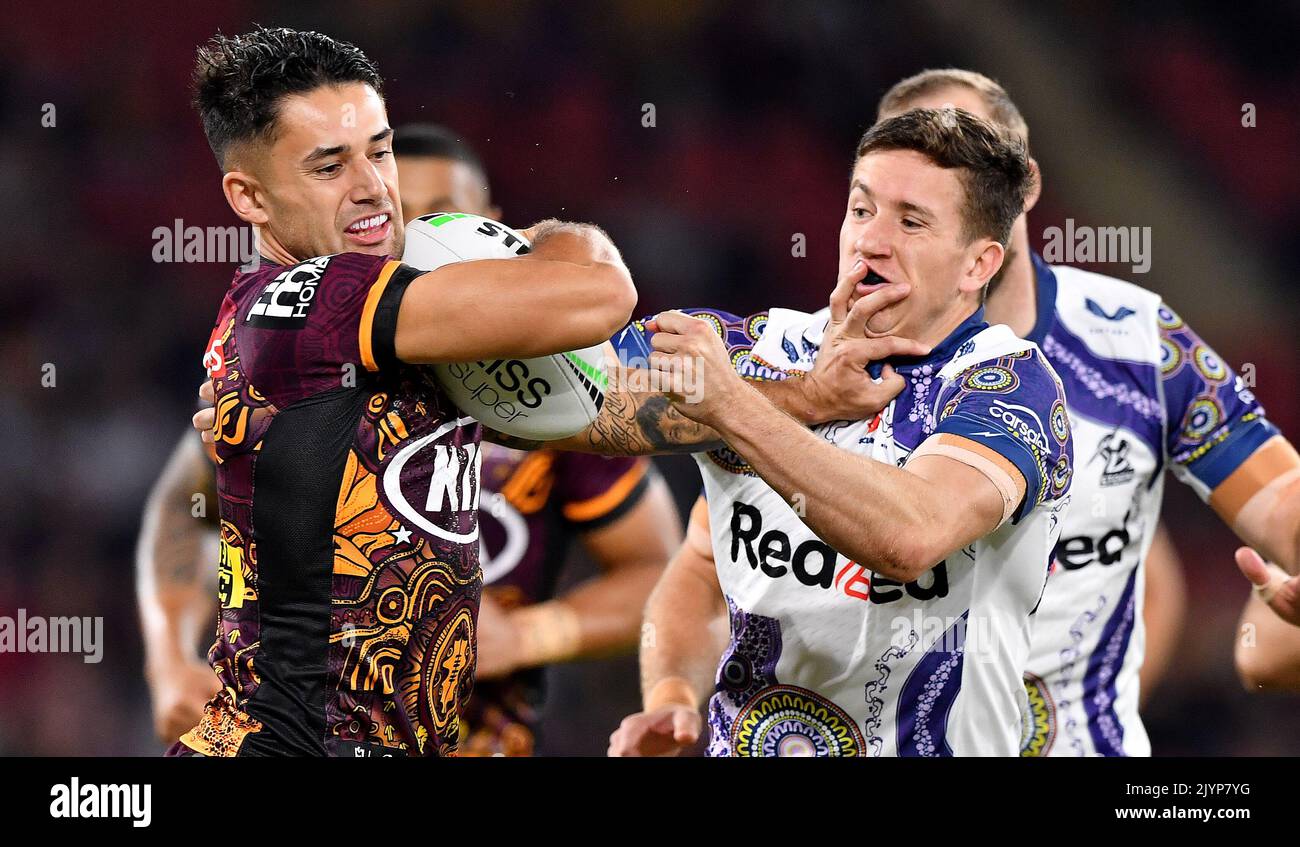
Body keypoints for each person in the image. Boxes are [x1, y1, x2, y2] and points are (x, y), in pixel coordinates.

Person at [139, 121, 684, 757]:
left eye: (443, 215)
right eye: (406, 213)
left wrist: (535, 635)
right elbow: (185, 506)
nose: (417, 237)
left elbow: (657, 569)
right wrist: (169, 661)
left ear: (496, 225)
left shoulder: (551, 388)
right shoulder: (313, 356)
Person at [610, 107, 1073, 757]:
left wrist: (734, 407)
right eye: (862, 210)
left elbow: (908, 536)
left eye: (911, 222)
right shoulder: (757, 351)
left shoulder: (1009, 388)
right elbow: (700, 569)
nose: (872, 241)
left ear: (977, 265)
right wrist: (672, 697)